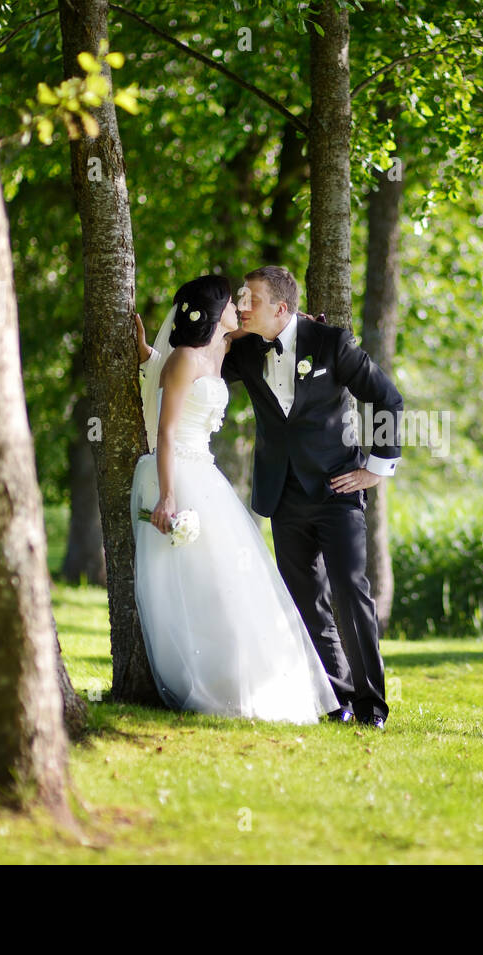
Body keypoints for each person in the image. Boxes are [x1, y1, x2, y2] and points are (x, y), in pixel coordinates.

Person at [129, 274, 337, 724]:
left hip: (206, 474)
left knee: (232, 579)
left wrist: (294, 319)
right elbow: (164, 432)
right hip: (178, 473)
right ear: (212, 311)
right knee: (201, 582)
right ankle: (211, 679)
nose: (239, 307)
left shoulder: (220, 347)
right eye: (231, 302)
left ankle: (246, 677)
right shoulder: (185, 358)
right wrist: (167, 496)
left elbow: (259, 324)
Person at [220, 266, 403, 729]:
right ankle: (335, 700)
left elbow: (387, 399)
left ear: (282, 309)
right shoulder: (241, 352)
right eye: (241, 297)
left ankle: (372, 707)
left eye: (252, 299)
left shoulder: (332, 343)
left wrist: (376, 469)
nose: (243, 304)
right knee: (307, 602)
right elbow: (196, 368)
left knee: (350, 591)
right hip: (282, 495)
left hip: (337, 489)